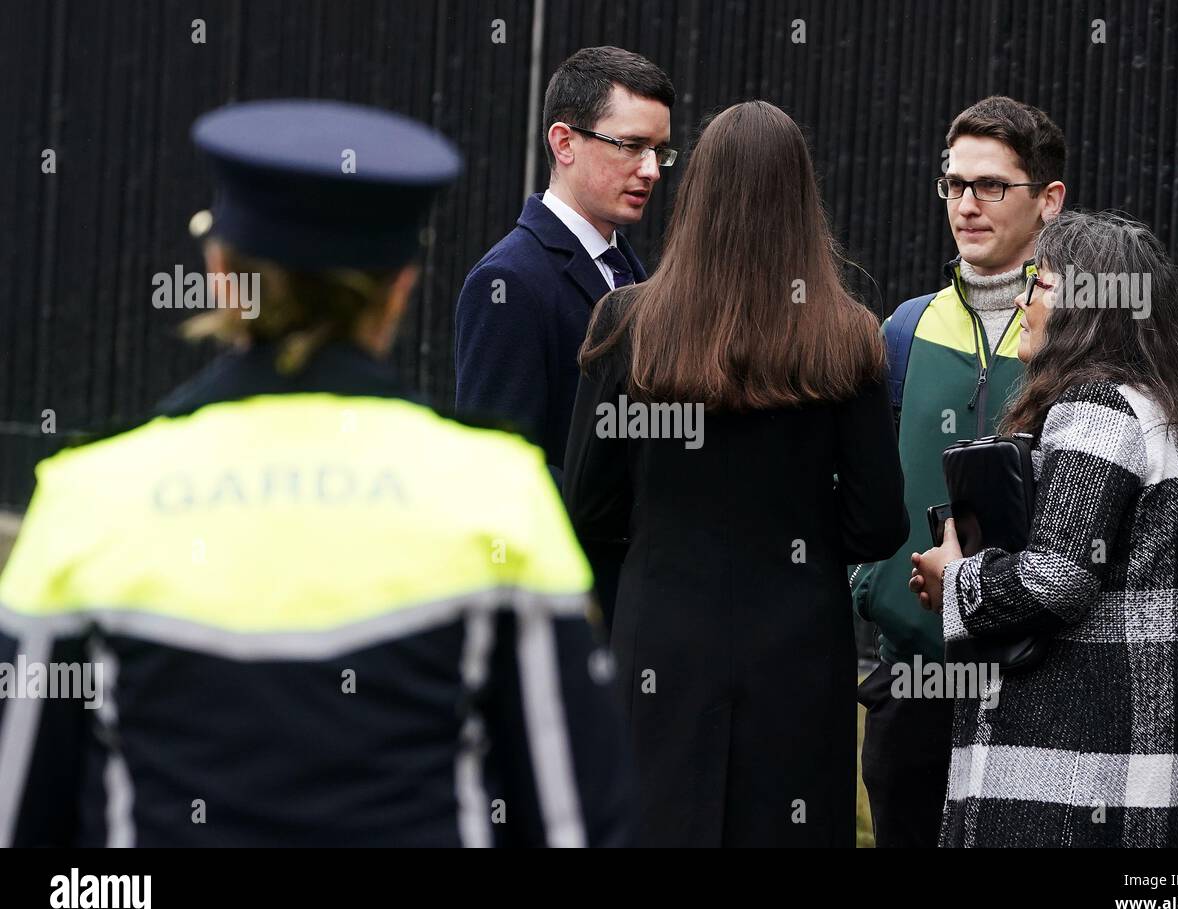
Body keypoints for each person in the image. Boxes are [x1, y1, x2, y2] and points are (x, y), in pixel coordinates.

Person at [0, 99, 633, 847]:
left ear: (219, 274)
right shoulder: (501, 493)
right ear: (400, 287)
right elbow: (573, 824)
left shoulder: (87, 495)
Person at [563, 101, 909, 847]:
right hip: (798, 648)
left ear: (700, 195)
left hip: (661, 641)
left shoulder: (627, 324)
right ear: (801, 199)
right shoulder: (846, 335)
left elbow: (587, 505)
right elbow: (879, 521)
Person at [911, 210, 1178, 848]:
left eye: (1040, 282)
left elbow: (1053, 580)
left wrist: (954, 578)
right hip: (1152, 775)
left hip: (1068, 780)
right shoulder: (1172, 415)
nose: (1024, 299)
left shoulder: (1099, 408)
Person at [852, 96, 1066, 847]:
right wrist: (872, 587)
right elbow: (859, 479)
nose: (966, 205)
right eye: (954, 185)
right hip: (914, 681)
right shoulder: (904, 329)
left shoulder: (1077, 338)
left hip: (1036, 686)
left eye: (991, 186)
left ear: (1048, 201)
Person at [454, 47, 675, 624]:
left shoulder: (631, 268)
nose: (650, 170)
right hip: (566, 609)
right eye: (631, 146)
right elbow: (499, 468)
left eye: (659, 151)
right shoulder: (508, 281)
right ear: (564, 142)